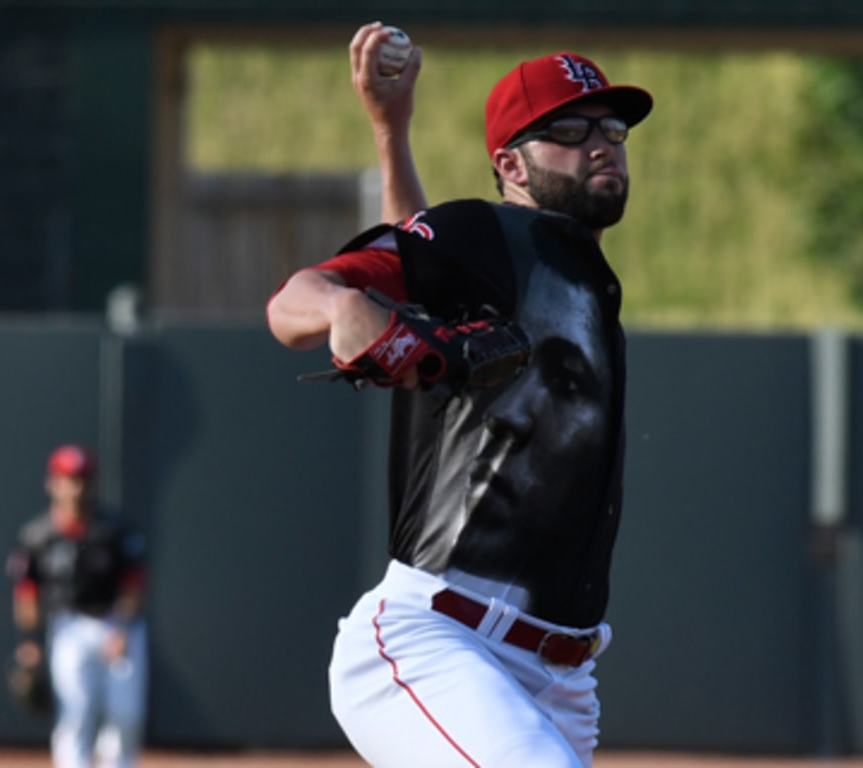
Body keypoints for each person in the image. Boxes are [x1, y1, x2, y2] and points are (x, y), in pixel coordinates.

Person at [265, 23, 654, 768]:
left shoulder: (572, 277)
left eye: (613, 126)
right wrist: (345, 311)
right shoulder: (489, 233)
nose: (601, 142)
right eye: (568, 129)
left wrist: (392, 131)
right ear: (508, 163)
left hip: (560, 678)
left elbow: (436, 273)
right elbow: (297, 300)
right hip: (439, 637)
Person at [7, 444, 149, 768]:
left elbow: (134, 585)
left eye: (82, 479)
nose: (75, 488)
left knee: (126, 716)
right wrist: (28, 642)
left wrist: (122, 627)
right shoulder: (37, 535)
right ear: (52, 482)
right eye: (68, 478)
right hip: (68, 626)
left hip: (116, 623)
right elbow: (27, 594)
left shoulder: (115, 530)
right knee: (75, 714)